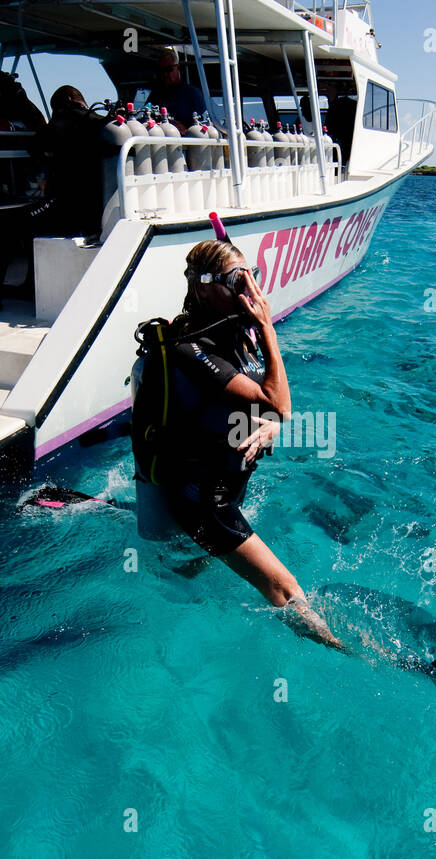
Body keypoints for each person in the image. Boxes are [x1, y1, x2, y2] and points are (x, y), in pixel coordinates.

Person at [131, 239, 340, 649]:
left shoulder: (234, 337)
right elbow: (278, 401)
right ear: (205, 287)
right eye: (236, 279)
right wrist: (266, 328)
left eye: (252, 276)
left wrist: (274, 426)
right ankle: (358, 656)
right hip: (203, 501)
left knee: (188, 570)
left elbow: (274, 411)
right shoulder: (190, 349)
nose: (249, 289)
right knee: (283, 588)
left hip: (228, 483)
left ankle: (181, 598)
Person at [33, 85, 108, 240]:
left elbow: (35, 144)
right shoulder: (104, 123)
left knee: (15, 221)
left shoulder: (59, 122)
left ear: (67, 101)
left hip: (66, 210)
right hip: (102, 212)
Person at [146, 50, 207, 133]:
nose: (165, 74)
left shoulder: (192, 93)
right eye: (162, 70)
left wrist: (185, 130)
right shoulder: (155, 95)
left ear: (178, 68)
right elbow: (145, 116)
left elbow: (204, 125)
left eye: (169, 69)